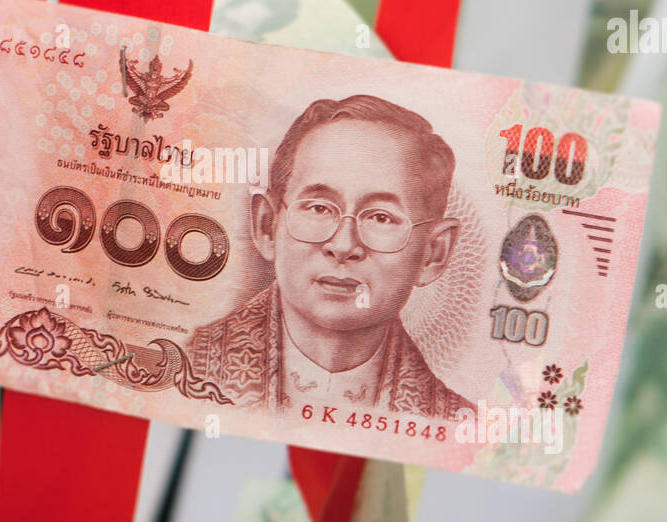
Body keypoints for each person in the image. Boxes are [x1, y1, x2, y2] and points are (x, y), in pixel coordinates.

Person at [187, 95, 474, 419]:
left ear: (434, 253)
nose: (343, 245)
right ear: (267, 226)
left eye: (380, 217)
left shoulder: (455, 422)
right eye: (319, 208)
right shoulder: (182, 363)